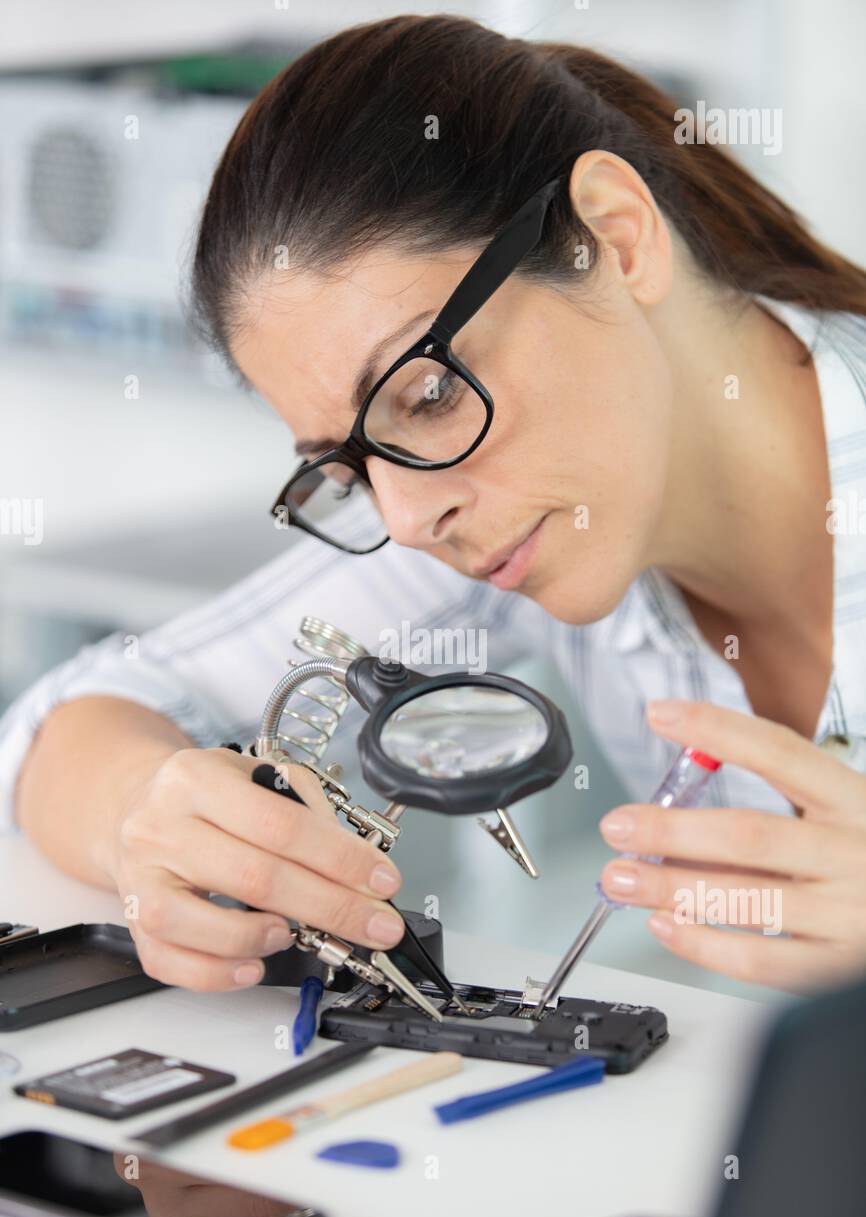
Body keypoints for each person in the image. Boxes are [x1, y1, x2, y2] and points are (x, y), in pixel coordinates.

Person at [3, 15, 865, 995]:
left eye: (426, 391)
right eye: (348, 465)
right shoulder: (506, 513)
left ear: (614, 240)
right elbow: (67, 716)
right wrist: (142, 816)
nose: (408, 520)